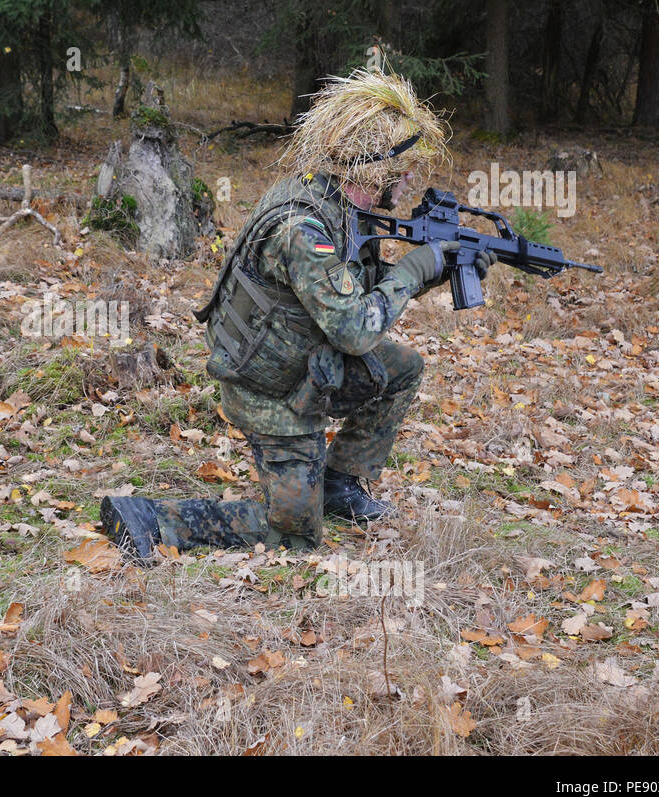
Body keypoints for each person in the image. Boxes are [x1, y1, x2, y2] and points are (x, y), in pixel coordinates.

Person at [102, 69, 495, 560]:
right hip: (266, 389)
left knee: (403, 368)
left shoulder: (338, 205)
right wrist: (415, 270)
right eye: (404, 167)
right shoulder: (304, 228)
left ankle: (337, 485)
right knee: (294, 537)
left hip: (301, 364)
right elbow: (354, 330)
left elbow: (351, 294)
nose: (411, 179)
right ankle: (149, 519)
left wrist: (436, 271)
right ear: (373, 169)